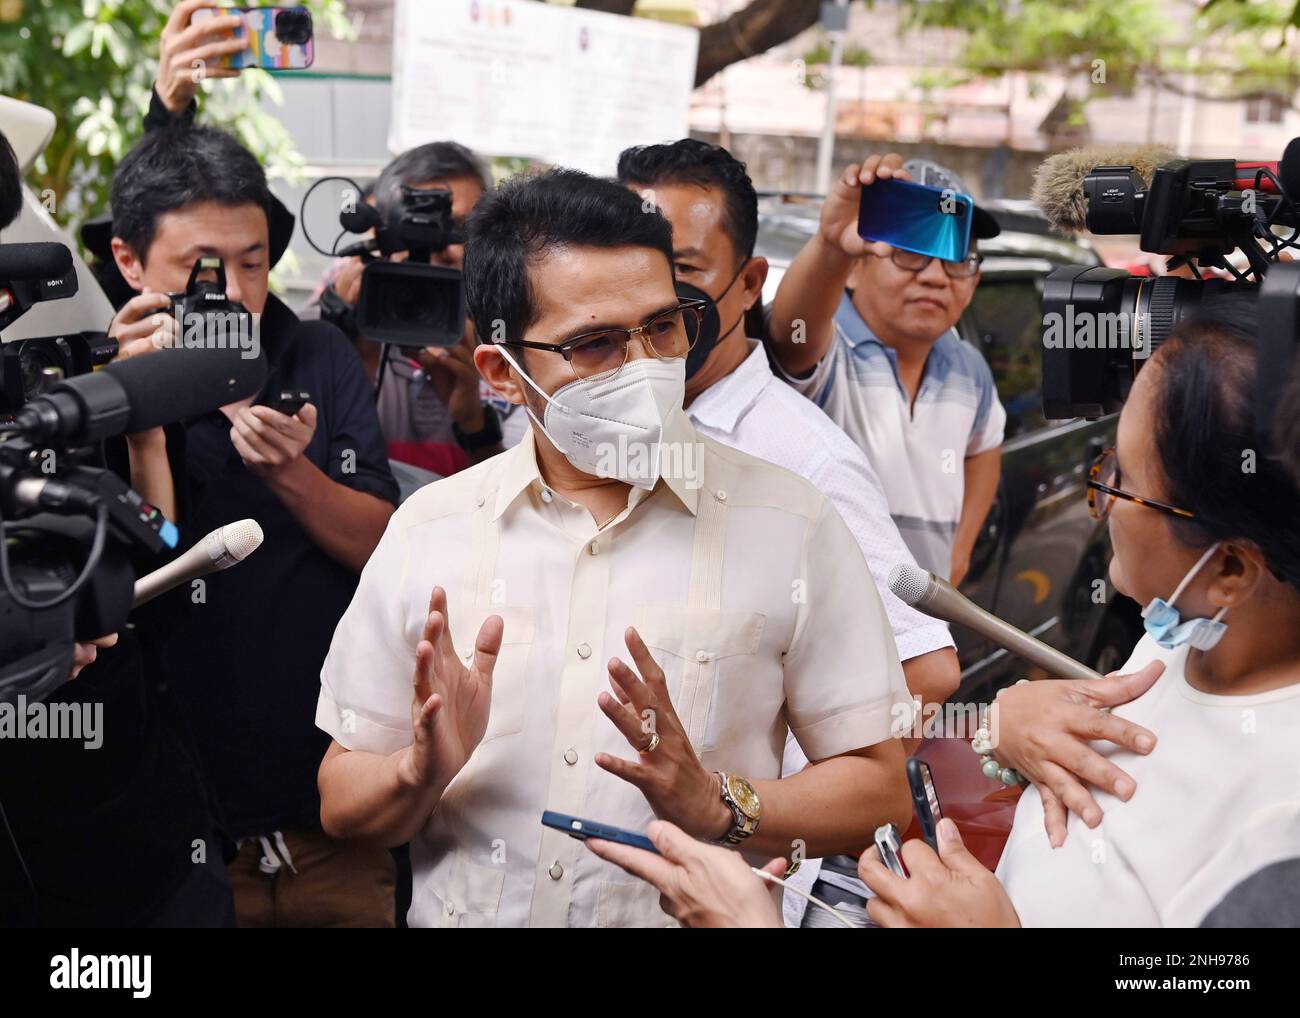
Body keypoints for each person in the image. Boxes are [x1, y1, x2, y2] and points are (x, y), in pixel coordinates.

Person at [314, 168, 914, 928]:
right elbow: (341, 800)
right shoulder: (431, 529)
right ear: (503, 373)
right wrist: (417, 772)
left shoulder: (789, 522)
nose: (645, 368)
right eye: (595, 344)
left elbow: (879, 788)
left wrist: (718, 803)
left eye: (663, 328)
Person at [591, 295, 1300, 928]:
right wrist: (1007, 726)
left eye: (1124, 479)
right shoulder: (1185, 647)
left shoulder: (1279, 829)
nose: (1103, 496)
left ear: (1231, 569)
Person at [616, 138, 959, 925]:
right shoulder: (603, 418)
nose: (649, 295)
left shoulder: (801, 458)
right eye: (629, 263)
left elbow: (926, 669)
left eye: (683, 270)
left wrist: (759, 806)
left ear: (747, 284)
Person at [106, 121, 400, 927]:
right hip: (180, 825)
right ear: (129, 262)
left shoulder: (314, 356)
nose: (234, 291)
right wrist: (142, 413)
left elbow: (381, 543)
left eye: (254, 263)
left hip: (328, 807)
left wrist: (291, 474)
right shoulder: (97, 388)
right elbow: (138, 596)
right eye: (202, 268)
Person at [766, 155, 1004, 586]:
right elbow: (788, 336)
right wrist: (831, 245)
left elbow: (985, 445)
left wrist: (959, 555)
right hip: (823, 635)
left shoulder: (968, 367)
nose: (935, 276)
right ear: (855, 267)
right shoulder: (829, 350)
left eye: (955, 256)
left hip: (925, 633)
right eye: (911, 250)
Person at [309, 141, 519, 473]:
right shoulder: (336, 318)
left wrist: (475, 425)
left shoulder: (523, 341)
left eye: (462, 229)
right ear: (381, 232)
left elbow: (532, 503)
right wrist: (342, 347)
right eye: (415, 228)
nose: (441, 247)